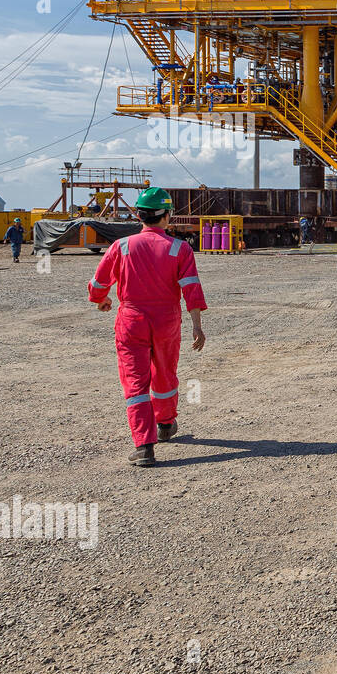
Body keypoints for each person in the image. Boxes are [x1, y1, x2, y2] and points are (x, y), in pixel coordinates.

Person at [87, 187, 207, 467]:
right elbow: (191, 289)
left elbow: (98, 283)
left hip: (132, 320)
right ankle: (165, 423)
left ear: (140, 215)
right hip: (167, 320)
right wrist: (197, 326)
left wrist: (101, 300)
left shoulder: (122, 246)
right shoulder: (180, 248)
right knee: (165, 373)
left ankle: (143, 446)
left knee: (135, 382)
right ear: (166, 216)